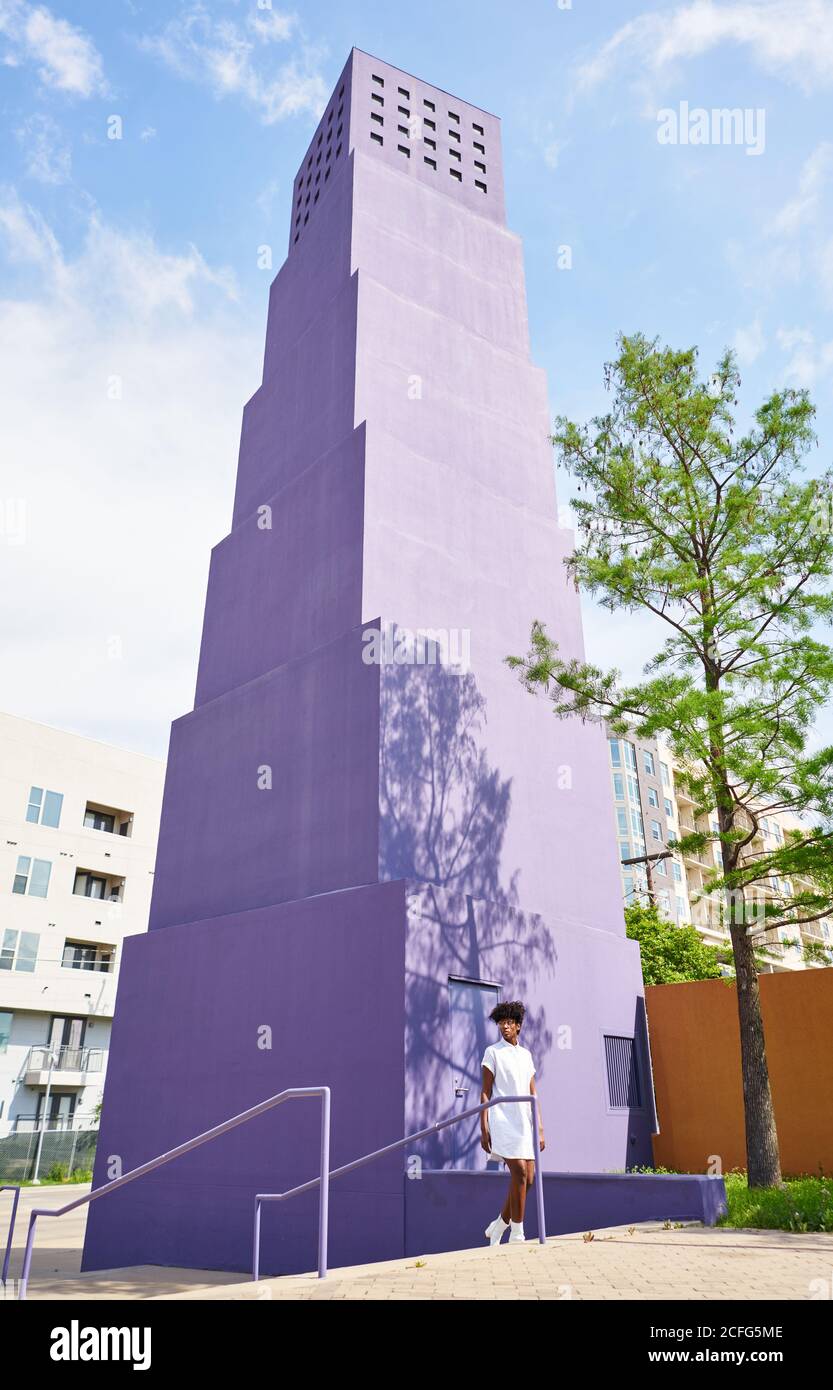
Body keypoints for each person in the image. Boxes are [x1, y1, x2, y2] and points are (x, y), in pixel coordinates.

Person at [480, 999, 545, 1246]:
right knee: (518, 1170)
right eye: (501, 1023)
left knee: (529, 1178)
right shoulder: (492, 1052)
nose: (504, 1027)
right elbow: (485, 1091)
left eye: (509, 1022)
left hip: (524, 1119)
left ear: (518, 1026)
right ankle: (517, 1233)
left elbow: (533, 1092)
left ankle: (499, 1225)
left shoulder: (526, 1055)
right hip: (501, 1118)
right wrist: (483, 1126)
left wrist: (539, 1127)